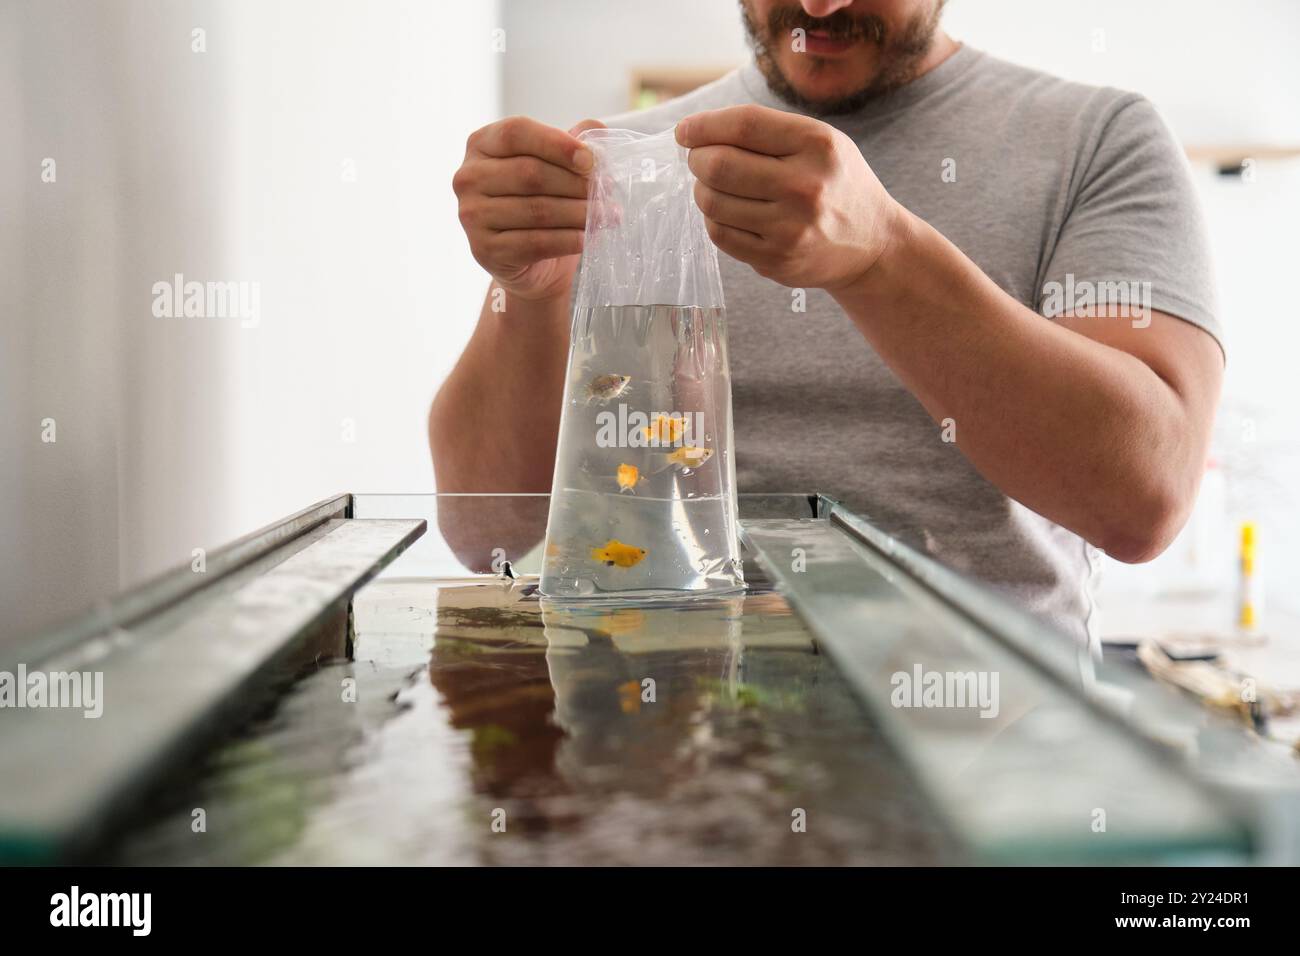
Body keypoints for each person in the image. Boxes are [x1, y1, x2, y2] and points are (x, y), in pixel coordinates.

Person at [430, 0, 1224, 648]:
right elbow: (491, 531)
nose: (818, 6)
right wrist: (530, 296)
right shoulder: (629, 160)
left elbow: (1142, 499)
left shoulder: (1097, 141)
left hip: (985, 766)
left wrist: (882, 257)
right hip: (681, 746)